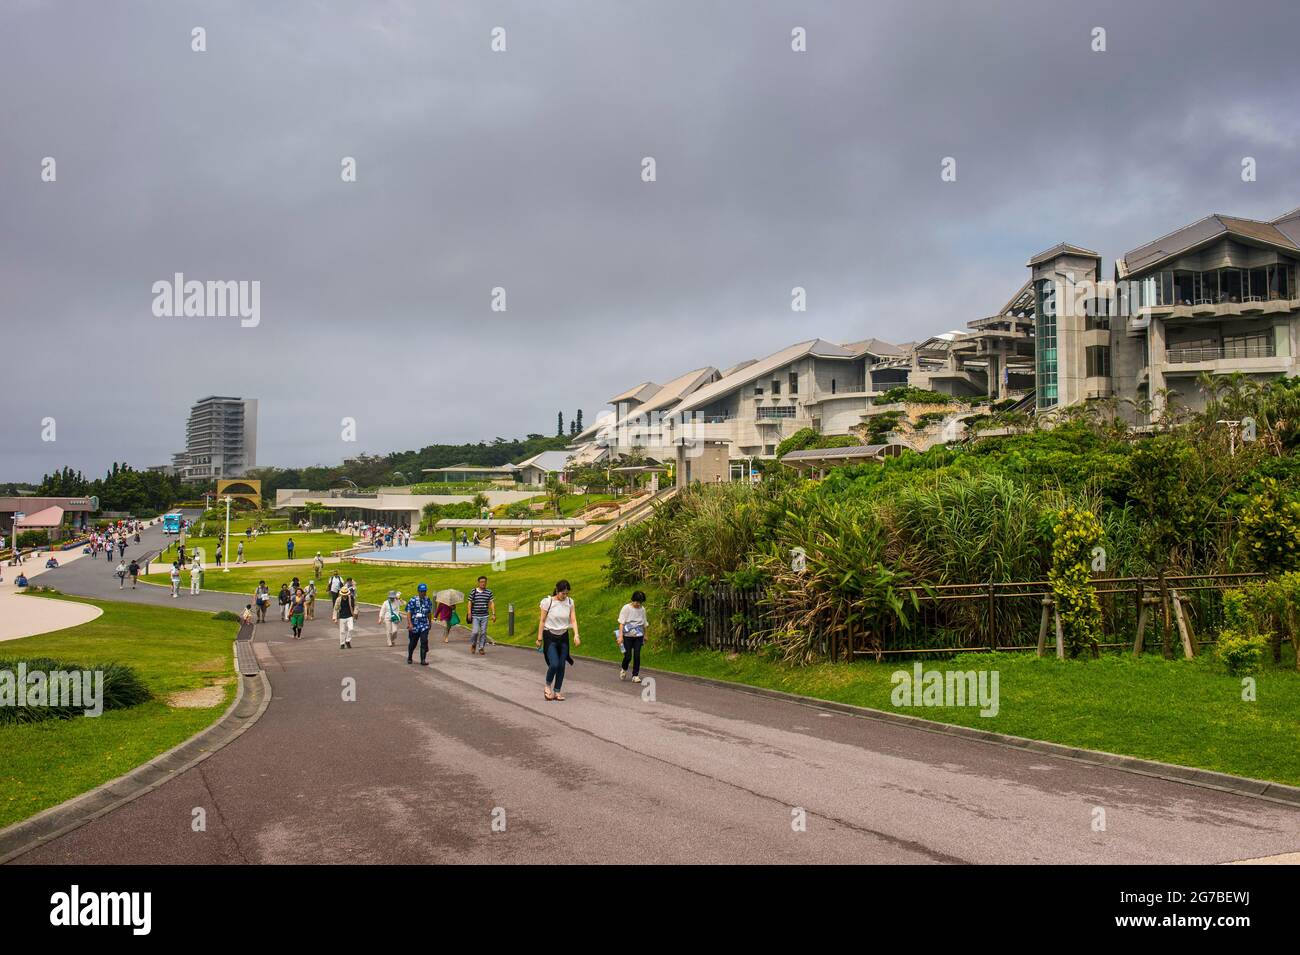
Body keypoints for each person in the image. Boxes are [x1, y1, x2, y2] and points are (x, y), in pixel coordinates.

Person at [537, 579, 580, 701]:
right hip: (550, 636)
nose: (565, 596)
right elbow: (542, 620)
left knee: (561, 665)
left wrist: (576, 635)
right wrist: (539, 638)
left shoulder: (570, 602)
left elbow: (573, 620)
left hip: (563, 637)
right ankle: (547, 686)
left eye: (567, 593)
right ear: (557, 591)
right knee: (554, 664)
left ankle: (557, 691)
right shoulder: (548, 602)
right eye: (563, 593)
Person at [617, 591, 650, 683]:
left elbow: (644, 623)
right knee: (627, 656)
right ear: (633, 600)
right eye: (637, 602)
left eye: (640, 602)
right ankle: (624, 668)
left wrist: (646, 635)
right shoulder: (626, 608)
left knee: (637, 655)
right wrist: (620, 636)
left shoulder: (642, 609)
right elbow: (621, 623)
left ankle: (635, 675)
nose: (638, 604)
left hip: (639, 636)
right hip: (627, 636)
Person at [467, 575, 496, 655]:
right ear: (478, 583)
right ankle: (473, 644)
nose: (483, 583)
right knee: (475, 632)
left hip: (485, 616)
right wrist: (469, 613)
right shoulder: (473, 591)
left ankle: (481, 648)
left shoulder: (489, 592)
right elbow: (469, 602)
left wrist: (493, 614)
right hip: (475, 615)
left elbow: (492, 603)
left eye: (485, 582)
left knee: (483, 632)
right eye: (481, 582)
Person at [406, 583, 433, 665]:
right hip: (414, 625)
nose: (423, 593)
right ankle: (410, 656)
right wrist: (410, 623)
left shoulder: (428, 600)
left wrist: (430, 622)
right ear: (418, 591)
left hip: (424, 624)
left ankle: (423, 660)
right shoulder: (413, 600)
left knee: (424, 641)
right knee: (413, 643)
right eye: (421, 591)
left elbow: (429, 612)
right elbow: (409, 612)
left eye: (424, 591)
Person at [333, 582, 356, 649]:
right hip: (342, 616)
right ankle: (342, 643)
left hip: (349, 616)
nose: (344, 595)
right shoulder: (338, 599)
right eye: (343, 594)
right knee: (342, 631)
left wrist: (355, 613)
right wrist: (335, 617)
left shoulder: (351, 598)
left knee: (351, 629)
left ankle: (348, 640)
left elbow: (356, 605)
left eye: (345, 594)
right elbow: (335, 608)